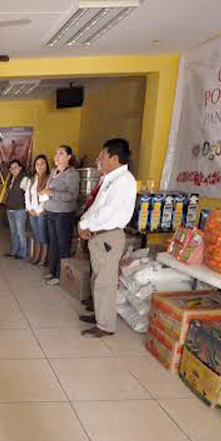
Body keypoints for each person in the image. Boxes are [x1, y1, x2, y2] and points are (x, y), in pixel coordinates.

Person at [78, 139, 137, 338]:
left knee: (105, 281)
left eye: (102, 156)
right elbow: (96, 207)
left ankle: (105, 325)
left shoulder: (124, 181)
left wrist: (87, 226)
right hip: (99, 234)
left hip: (109, 236)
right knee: (98, 278)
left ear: (114, 157)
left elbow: (108, 213)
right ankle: (98, 314)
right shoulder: (109, 179)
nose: (99, 159)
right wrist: (84, 223)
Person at [42, 145, 80, 285]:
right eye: (56, 153)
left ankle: (60, 275)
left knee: (63, 245)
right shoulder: (54, 171)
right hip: (51, 211)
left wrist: (52, 193)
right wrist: (45, 193)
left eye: (61, 153)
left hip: (63, 214)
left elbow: (72, 196)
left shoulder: (72, 173)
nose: (57, 156)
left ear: (69, 157)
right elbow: (50, 189)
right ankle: (52, 271)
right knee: (54, 244)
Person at [0, 160, 29, 260]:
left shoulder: (24, 179)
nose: (13, 170)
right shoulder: (11, 178)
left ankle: (22, 253)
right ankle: (14, 251)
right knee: (13, 232)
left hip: (20, 209)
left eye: (15, 167)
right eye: (11, 168)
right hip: (10, 209)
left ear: (20, 168)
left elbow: (28, 195)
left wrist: (28, 208)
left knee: (20, 232)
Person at [25, 154, 51, 267]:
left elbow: (47, 199)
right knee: (36, 235)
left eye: (42, 164)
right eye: (37, 164)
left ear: (46, 165)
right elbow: (26, 195)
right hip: (32, 212)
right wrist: (29, 209)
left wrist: (38, 211)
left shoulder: (49, 178)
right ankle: (36, 256)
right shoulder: (32, 179)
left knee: (42, 236)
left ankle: (43, 258)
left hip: (42, 213)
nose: (40, 166)